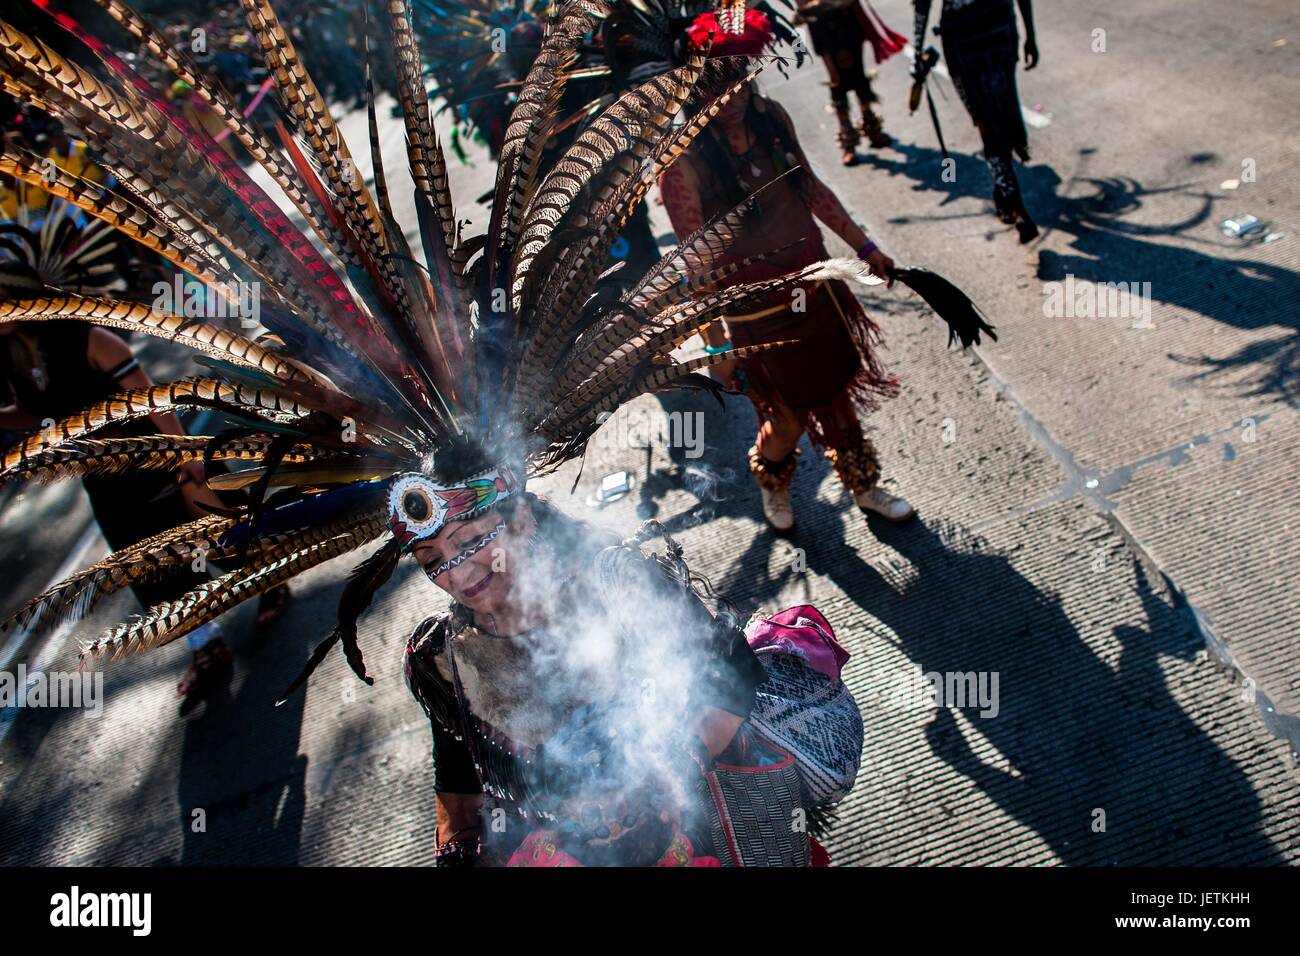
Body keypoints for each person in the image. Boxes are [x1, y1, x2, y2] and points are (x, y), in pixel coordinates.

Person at [1, 0, 866, 864]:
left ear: (522, 516)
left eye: (475, 542)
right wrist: (461, 851)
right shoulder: (441, 661)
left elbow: (727, 691)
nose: (463, 575)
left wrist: (633, 809)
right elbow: (456, 790)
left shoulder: (621, 578)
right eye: (436, 561)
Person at [659, 9, 916, 534]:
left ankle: (865, 488)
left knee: (837, 402)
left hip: (816, 291)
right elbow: (695, 260)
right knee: (785, 422)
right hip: (754, 316)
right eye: (715, 85)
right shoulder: (683, 162)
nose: (728, 99)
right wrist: (716, 346)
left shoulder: (772, 118)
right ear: (696, 86)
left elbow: (813, 188)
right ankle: (773, 483)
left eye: (738, 80)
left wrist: (865, 246)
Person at [912, 0, 1040, 240]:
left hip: (995, 29)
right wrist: (916, 51)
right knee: (988, 122)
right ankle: (1015, 204)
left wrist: (1030, 35)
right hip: (968, 38)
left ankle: (1007, 194)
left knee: (1002, 115)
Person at [793, 0, 906, 164]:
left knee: (858, 75)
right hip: (821, 24)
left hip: (846, 17)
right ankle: (848, 143)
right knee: (836, 81)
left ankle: (872, 128)